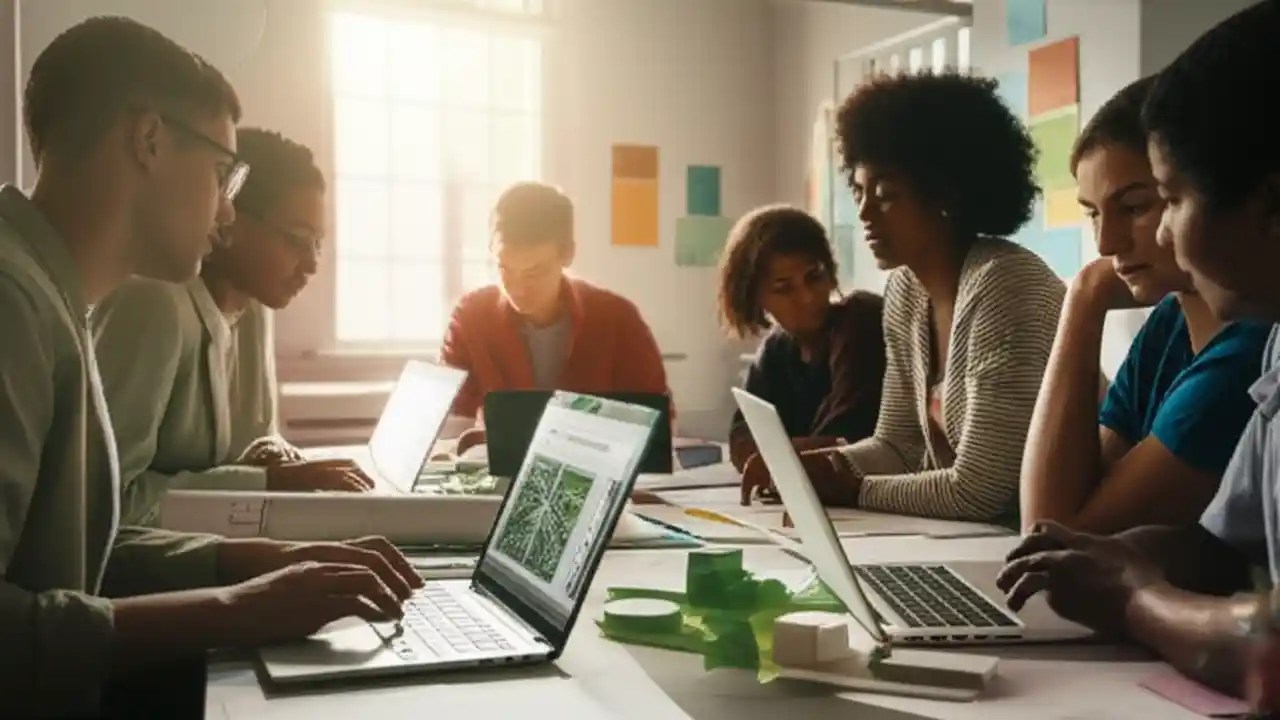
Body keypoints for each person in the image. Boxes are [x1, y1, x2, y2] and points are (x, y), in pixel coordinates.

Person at [0, 18, 419, 716]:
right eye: (224, 173)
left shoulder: (55, 299)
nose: (227, 210)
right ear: (149, 140)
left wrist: (259, 563)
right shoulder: (12, 303)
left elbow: (76, 559)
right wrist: (232, 608)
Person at [1000, 0, 1280, 702]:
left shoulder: (1248, 345)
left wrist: (1133, 596)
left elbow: (1272, 648)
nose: (1158, 238)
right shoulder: (1277, 347)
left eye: (1169, 200)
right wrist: (1110, 557)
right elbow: (1222, 546)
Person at [740, 70, 1064, 524]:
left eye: (886, 194)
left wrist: (849, 486)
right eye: (859, 191)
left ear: (945, 193)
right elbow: (898, 447)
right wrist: (816, 466)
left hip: (1050, 541)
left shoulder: (1006, 286)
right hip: (977, 538)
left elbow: (984, 492)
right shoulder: (905, 293)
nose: (864, 211)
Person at [1019, 76, 1270, 534]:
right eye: (1093, 213)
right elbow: (1075, 497)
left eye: (1135, 207)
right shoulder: (1170, 321)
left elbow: (1054, 534)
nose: (1105, 243)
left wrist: (1084, 298)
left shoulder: (1249, 352)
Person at [92, 128, 373, 527]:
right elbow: (105, 502)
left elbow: (252, 446)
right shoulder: (153, 303)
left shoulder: (255, 305)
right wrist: (267, 481)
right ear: (226, 219)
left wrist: (277, 457)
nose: (312, 264)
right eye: (297, 239)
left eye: (318, 243)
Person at [440, 181, 671, 451]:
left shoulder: (618, 319)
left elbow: (657, 422)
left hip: (593, 465)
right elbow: (449, 418)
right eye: (505, 269)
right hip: (495, 469)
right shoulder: (470, 317)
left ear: (568, 253)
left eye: (534, 272)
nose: (518, 288)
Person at [719, 204, 884, 474]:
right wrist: (779, 455)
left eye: (814, 277)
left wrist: (775, 454)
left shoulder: (860, 322)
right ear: (755, 298)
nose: (807, 297)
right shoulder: (776, 350)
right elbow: (743, 439)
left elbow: (846, 441)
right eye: (784, 288)